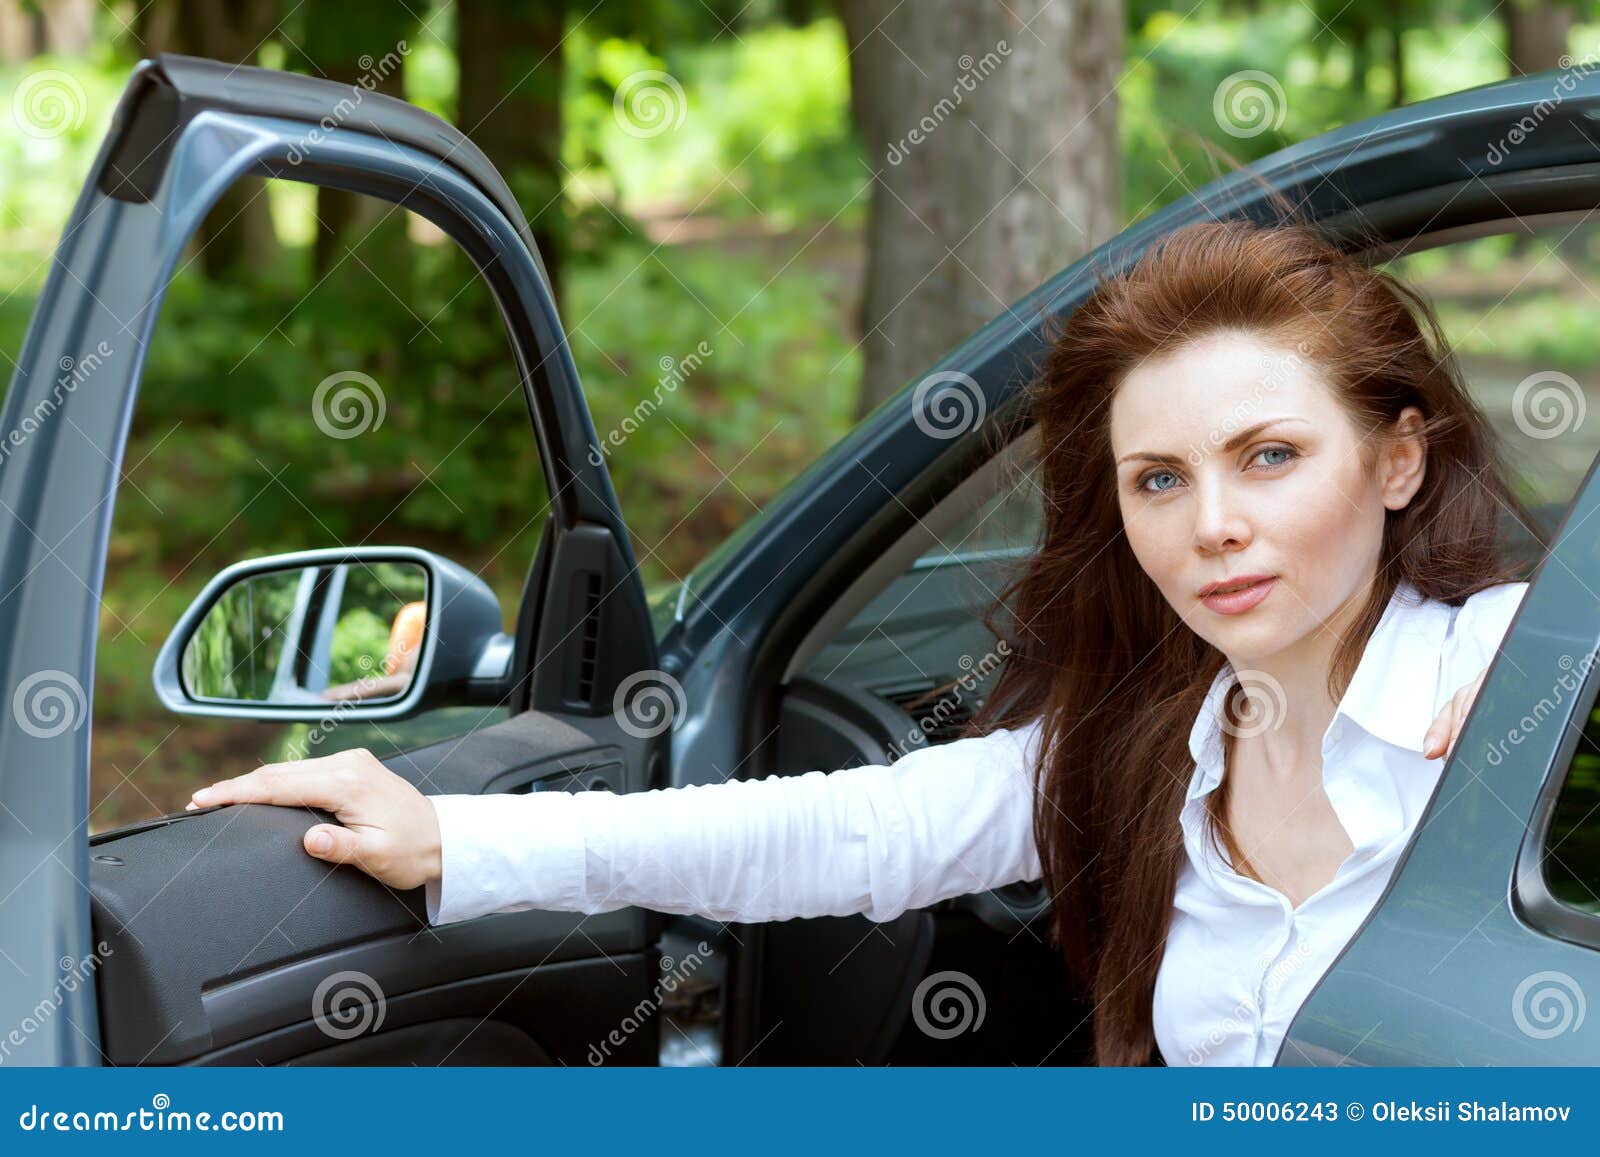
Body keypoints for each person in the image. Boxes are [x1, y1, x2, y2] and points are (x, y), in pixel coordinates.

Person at [185, 219, 1538, 1066]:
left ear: (1399, 458)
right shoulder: (1132, 754)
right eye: (1160, 479)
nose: (1215, 526)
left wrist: (1543, 673)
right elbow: (844, 833)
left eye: (1270, 455)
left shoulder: (1521, 678)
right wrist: (455, 839)